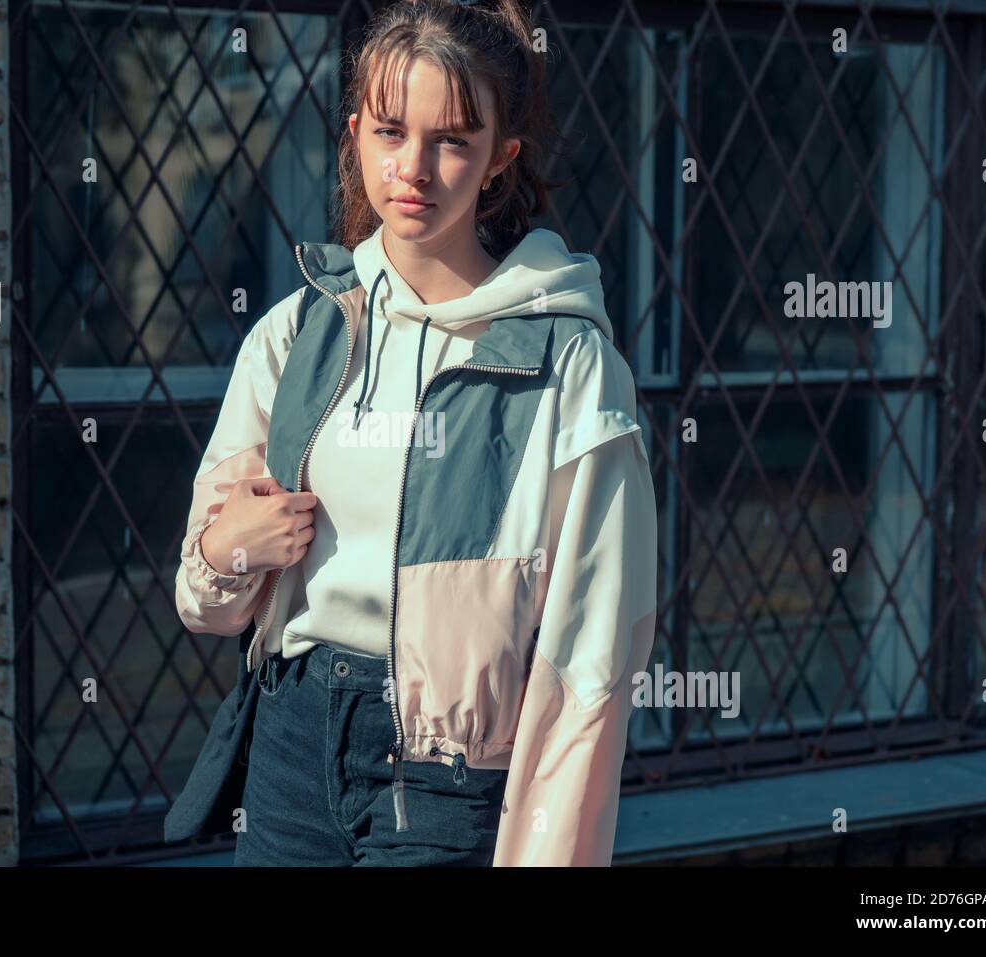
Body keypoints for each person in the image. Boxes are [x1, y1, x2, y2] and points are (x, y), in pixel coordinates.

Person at [166, 0, 658, 866]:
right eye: (392, 131)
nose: (415, 169)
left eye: (454, 140)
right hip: (290, 741)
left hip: (450, 781)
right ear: (355, 132)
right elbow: (202, 597)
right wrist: (230, 546)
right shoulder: (296, 333)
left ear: (501, 156)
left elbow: (593, 658)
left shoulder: (571, 364)